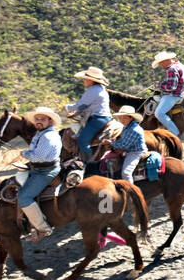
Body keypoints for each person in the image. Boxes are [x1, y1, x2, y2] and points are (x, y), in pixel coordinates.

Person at [16, 107, 61, 241]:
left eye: (42, 119)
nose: (39, 121)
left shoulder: (47, 136)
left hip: (45, 171)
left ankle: (43, 228)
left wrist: (24, 153)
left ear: (50, 121)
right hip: (39, 168)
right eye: (37, 119)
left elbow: (38, 156)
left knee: (24, 196)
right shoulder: (41, 133)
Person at [65, 66, 112, 161]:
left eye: (85, 79)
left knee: (82, 141)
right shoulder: (100, 89)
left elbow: (80, 105)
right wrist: (75, 114)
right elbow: (87, 106)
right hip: (104, 117)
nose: (84, 81)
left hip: (97, 119)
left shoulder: (92, 90)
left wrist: (66, 107)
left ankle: (88, 163)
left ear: (91, 80)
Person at [151, 51, 184, 137]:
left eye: (160, 63)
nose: (160, 65)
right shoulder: (180, 65)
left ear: (164, 61)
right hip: (182, 92)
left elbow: (172, 87)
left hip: (174, 95)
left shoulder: (171, 69)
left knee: (159, 113)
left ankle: (175, 133)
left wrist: (159, 85)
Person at [112, 106, 148, 181]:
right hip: (130, 150)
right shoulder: (126, 127)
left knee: (126, 173)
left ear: (131, 118)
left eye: (124, 118)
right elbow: (123, 140)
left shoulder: (134, 130)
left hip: (136, 152)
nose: (122, 120)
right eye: (120, 118)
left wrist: (111, 143)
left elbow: (124, 145)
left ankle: (130, 192)